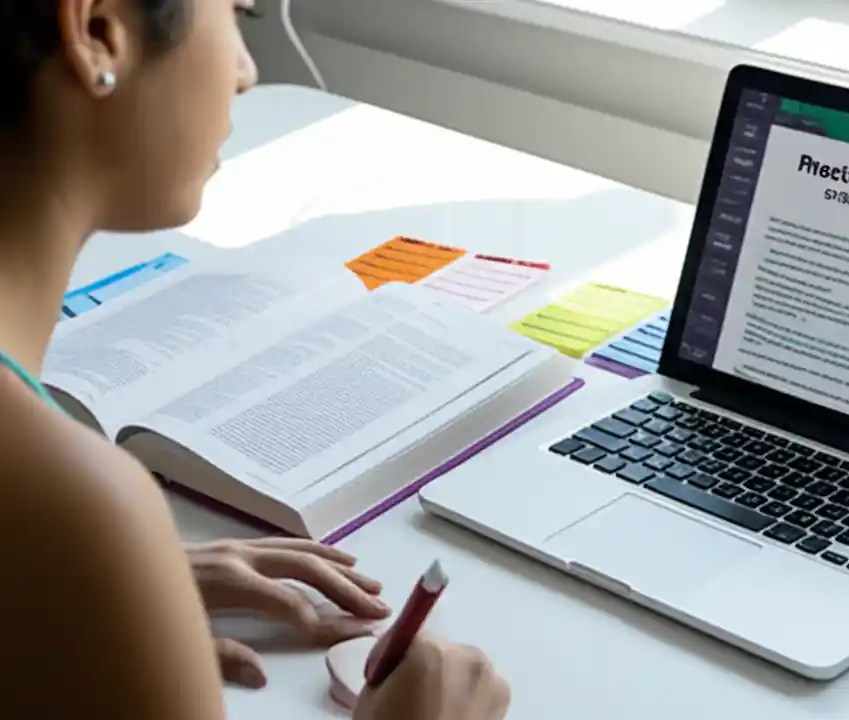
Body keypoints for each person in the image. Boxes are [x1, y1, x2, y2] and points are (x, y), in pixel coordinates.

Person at [0, 0, 510, 717]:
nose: (245, 71)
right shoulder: (68, 506)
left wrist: (116, 588)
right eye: (238, 11)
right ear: (98, 32)